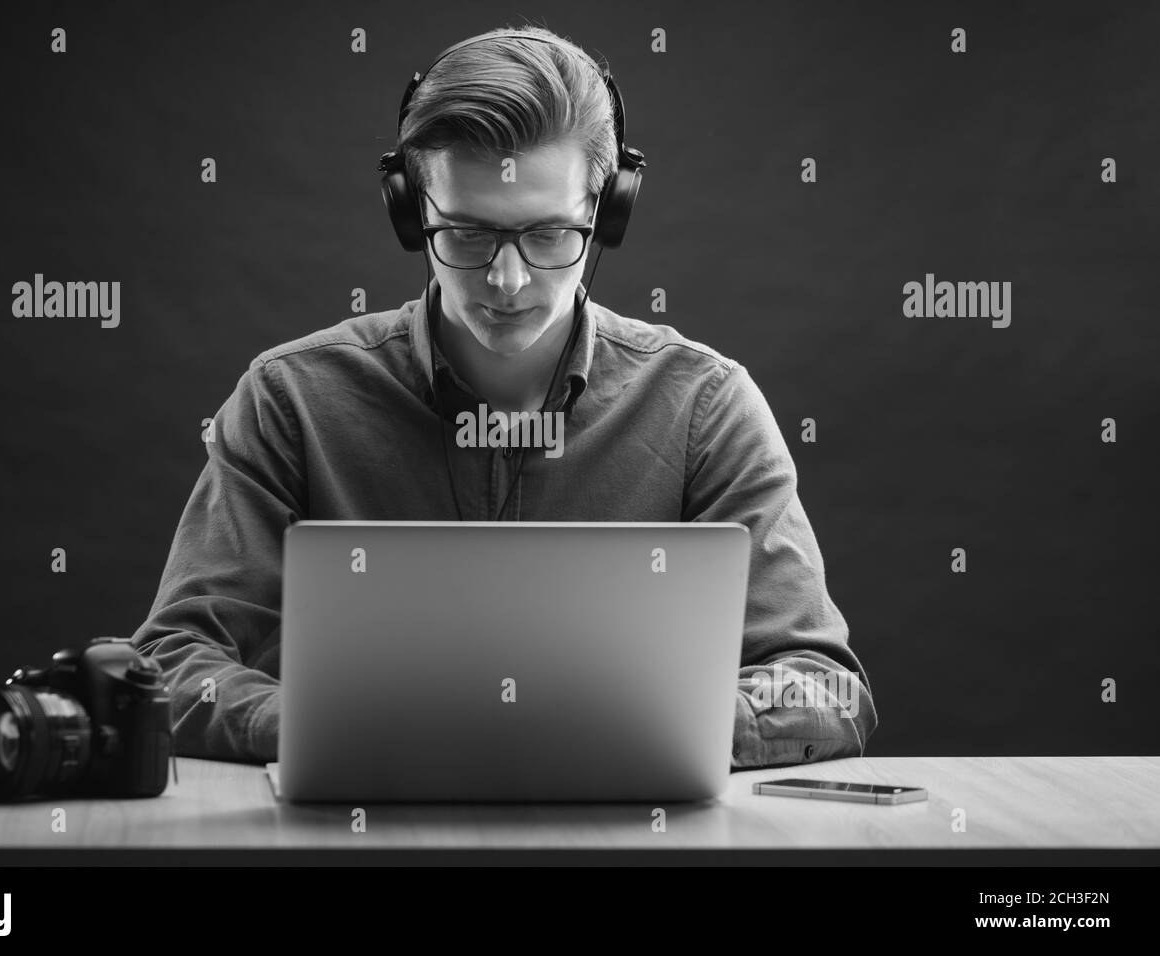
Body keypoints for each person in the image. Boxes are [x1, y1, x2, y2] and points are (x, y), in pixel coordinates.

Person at [130, 25, 878, 768]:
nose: (508, 281)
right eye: (466, 233)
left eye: (550, 234)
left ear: (606, 212)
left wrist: (643, 727)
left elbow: (826, 689)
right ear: (412, 213)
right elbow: (171, 662)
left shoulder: (706, 408)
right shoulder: (289, 401)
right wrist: (326, 730)